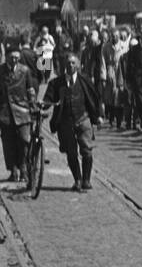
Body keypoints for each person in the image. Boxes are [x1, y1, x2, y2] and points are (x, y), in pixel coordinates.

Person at [46, 52, 100, 191]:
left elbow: (94, 98)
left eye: (73, 62)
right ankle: (77, 179)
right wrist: (43, 104)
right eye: (68, 63)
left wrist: (98, 115)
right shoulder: (56, 83)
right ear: (64, 65)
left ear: (78, 65)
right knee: (71, 153)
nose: (70, 65)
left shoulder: (85, 80)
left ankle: (86, 180)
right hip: (66, 123)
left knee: (87, 151)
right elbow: (48, 99)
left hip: (83, 119)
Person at [0, 44, 38, 181]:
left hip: (22, 110)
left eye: (17, 57)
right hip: (5, 113)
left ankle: (23, 167)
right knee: (8, 143)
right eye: (12, 58)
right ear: (6, 58)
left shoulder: (25, 70)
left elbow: (30, 90)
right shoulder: (1, 71)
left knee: (24, 140)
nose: (15, 60)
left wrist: (33, 105)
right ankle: (13, 170)